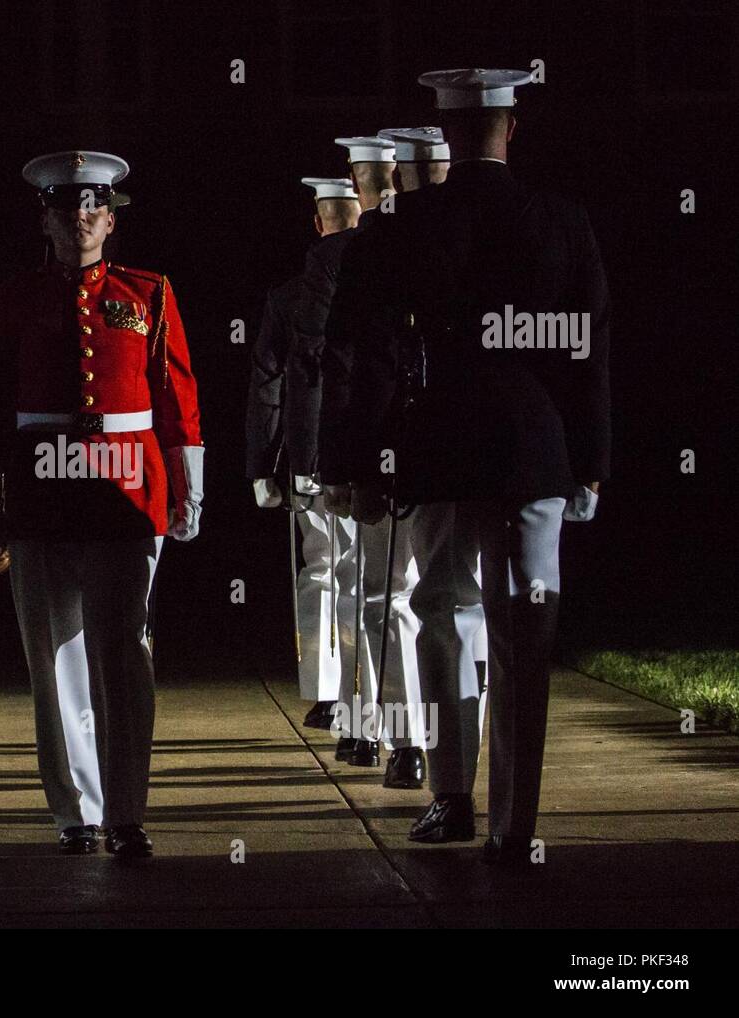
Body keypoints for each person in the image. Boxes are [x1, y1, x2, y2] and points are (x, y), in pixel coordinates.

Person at [321, 69, 611, 864]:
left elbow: (361, 353)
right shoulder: (561, 220)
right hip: (534, 450)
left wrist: (355, 462)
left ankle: (451, 793)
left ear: (444, 135)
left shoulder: (402, 227)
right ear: (511, 127)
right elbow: (585, 353)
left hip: (439, 444)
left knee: (443, 618)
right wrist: (588, 460)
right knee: (524, 631)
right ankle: (514, 823)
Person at [0, 151, 202, 858]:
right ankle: (76, 811)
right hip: (41, 493)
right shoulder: (15, 298)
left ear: (110, 216)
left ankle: (126, 812)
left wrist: (186, 494)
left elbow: (176, 400)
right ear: (47, 219)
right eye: (68, 211)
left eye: (93, 208)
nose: (82, 221)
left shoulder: (148, 292)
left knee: (123, 650)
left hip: (127, 490)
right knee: (54, 659)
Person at [246, 176, 360, 738]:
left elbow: (268, 385)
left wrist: (262, 464)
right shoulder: (386, 282)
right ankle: (371, 694)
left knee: (323, 569)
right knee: (375, 578)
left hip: (311, 452)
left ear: (318, 224)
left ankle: (325, 694)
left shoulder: (289, 296)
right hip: (371, 451)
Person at [318, 135, 398, 770]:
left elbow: (341, 366)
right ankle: (408, 739)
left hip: (394, 445)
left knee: (381, 593)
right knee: (410, 598)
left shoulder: (361, 253)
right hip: (417, 447)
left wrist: (342, 466)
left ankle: (385, 731)